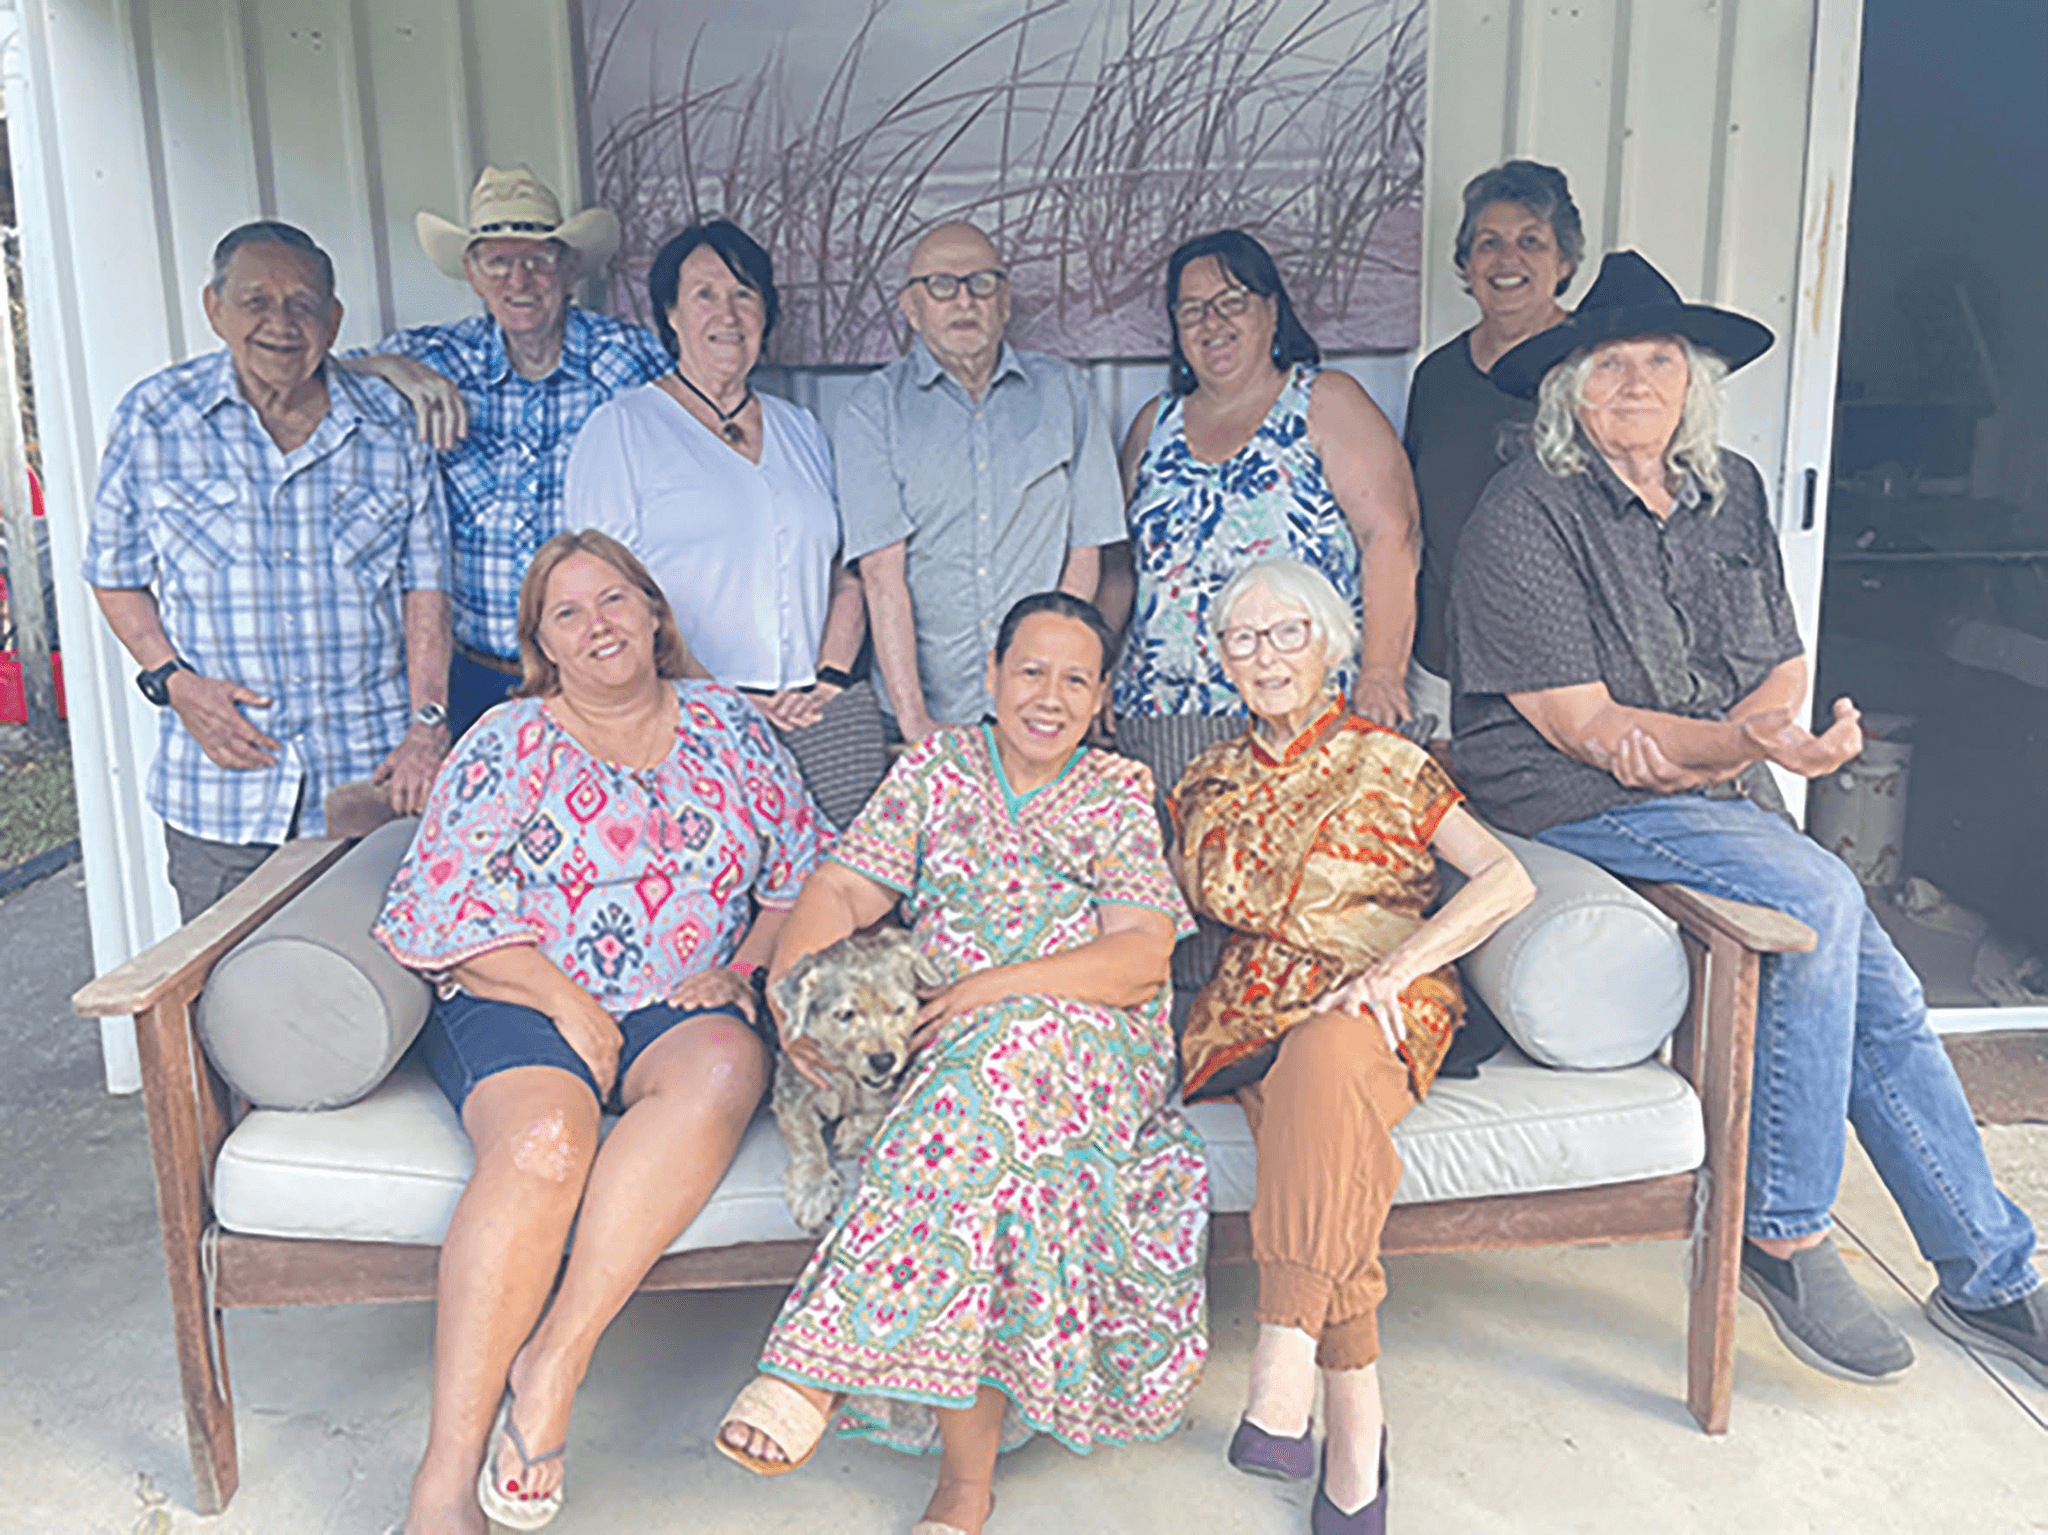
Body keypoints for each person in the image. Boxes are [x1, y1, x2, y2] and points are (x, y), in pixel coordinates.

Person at [1451, 250, 2046, 1390]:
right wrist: (1747, 746)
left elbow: (1776, 666)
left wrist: (1769, 737)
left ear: (1693, 381)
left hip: (1710, 788)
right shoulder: (1521, 508)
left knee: (1884, 985)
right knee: (1821, 891)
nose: (1634, 382)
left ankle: (1988, 1270)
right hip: (1576, 798)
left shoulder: (1727, 488)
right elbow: (1582, 725)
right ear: (1567, 388)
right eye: (1607, 361)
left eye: (1659, 360)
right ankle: (1779, 1232)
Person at [714, 593, 1209, 1535]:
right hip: (944, 1041)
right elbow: (842, 885)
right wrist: (793, 1005)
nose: (1049, 697)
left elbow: (1141, 953)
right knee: (975, 1136)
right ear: (991, 674)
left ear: (1103, 696)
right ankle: (963, 1483)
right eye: (1030, 671)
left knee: (983, 1083)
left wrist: (990, 989)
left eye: (1075, 679)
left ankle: (814, 1369)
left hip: (1088, 1034)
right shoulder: (938, 768)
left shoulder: (1112, 788)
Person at [372, 529, 829, 1535]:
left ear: (655, 614)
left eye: (615, 600)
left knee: (722, 1060)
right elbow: (434, 908)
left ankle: (552, 1363)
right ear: (543, 643)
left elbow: (802, 877)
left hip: (677, 993)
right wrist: (569, 1003)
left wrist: (744, 962)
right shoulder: (506, 738)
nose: (599, 625)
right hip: (517, 989)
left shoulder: (727, 726)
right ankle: (444, 1484)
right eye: (568, 613)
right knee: (545, 1138)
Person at [1169, 558, 1530, 1534]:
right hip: (1246, 1016)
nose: (1265, 654)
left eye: (1286, 631)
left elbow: (1505, 880)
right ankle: (1354, 1426)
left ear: (1329, 643)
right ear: (1218, 659)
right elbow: (1153, 904)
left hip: (1380, 1007)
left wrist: (1397, 964)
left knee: (1327, 1057)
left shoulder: (1391, 760)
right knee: (1321, 1129)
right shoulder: (1202, 781)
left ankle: (1281, 1354)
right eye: (1242, 638)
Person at [85, 220, 451, 922]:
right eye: (255, 302)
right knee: (225, 1008)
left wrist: (426, 727)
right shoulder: (156, 419)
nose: (280, 324)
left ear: (333, 319)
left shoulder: (389, 426)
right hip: (223, 794)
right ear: (213, 308)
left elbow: (425, 589)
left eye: (303, 305)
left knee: (381, 999)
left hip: (370, 783)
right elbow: (112, 571)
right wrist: (174, 681)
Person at [567, 220, 887, 829]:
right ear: (672, 315)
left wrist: (828, 680)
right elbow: (601, 602)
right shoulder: (623, 429)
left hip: (813, 719)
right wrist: (724, 700)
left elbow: (849, 571)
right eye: (705, 295)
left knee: (826, 903)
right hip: (685, 720)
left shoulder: (801, 430)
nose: (728, 313)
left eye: (745, 294)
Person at [340, 165, 673, 735]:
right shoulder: (436, 357)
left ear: (568, 268)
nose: (519, 280)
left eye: (538, 260)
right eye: (498, 261)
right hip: (474, 673)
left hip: (595, 667)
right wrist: (390, 369)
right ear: (472, 272)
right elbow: (313, 375)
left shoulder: (628, 360)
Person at [1102, 228, 1420, 798]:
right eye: (1192, 309)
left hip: (1301, 710)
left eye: (1232, 302)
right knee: (1180, 876)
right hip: (1162, 716)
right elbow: (1124, 567)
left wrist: (1381, 675)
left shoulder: (1324, 401)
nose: (1212, 322)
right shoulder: (1154, 424)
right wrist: (1093, 670)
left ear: (1271, 312)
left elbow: (1392, 536)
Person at [834, 220, 1126, 737]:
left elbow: (1085, 558)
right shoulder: (872, 410)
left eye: (981, 284)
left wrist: (1052, 692)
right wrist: (914, 721)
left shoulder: (1067, 394)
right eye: (941, 286)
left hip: (1040, 713)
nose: (964, 300)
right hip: (925, 707)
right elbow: (882, 576)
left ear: (1005, 301)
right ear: (911, 307)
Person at [1402, 160, 1583, 735]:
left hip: (1560, 668)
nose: (1508, 260)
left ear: (1565, 263)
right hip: (1442, 659)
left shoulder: (1597, 370)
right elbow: (1413, 518)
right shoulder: (1438, 378)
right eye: (1489, 244)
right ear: (1466, 263)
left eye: (1531, 241)